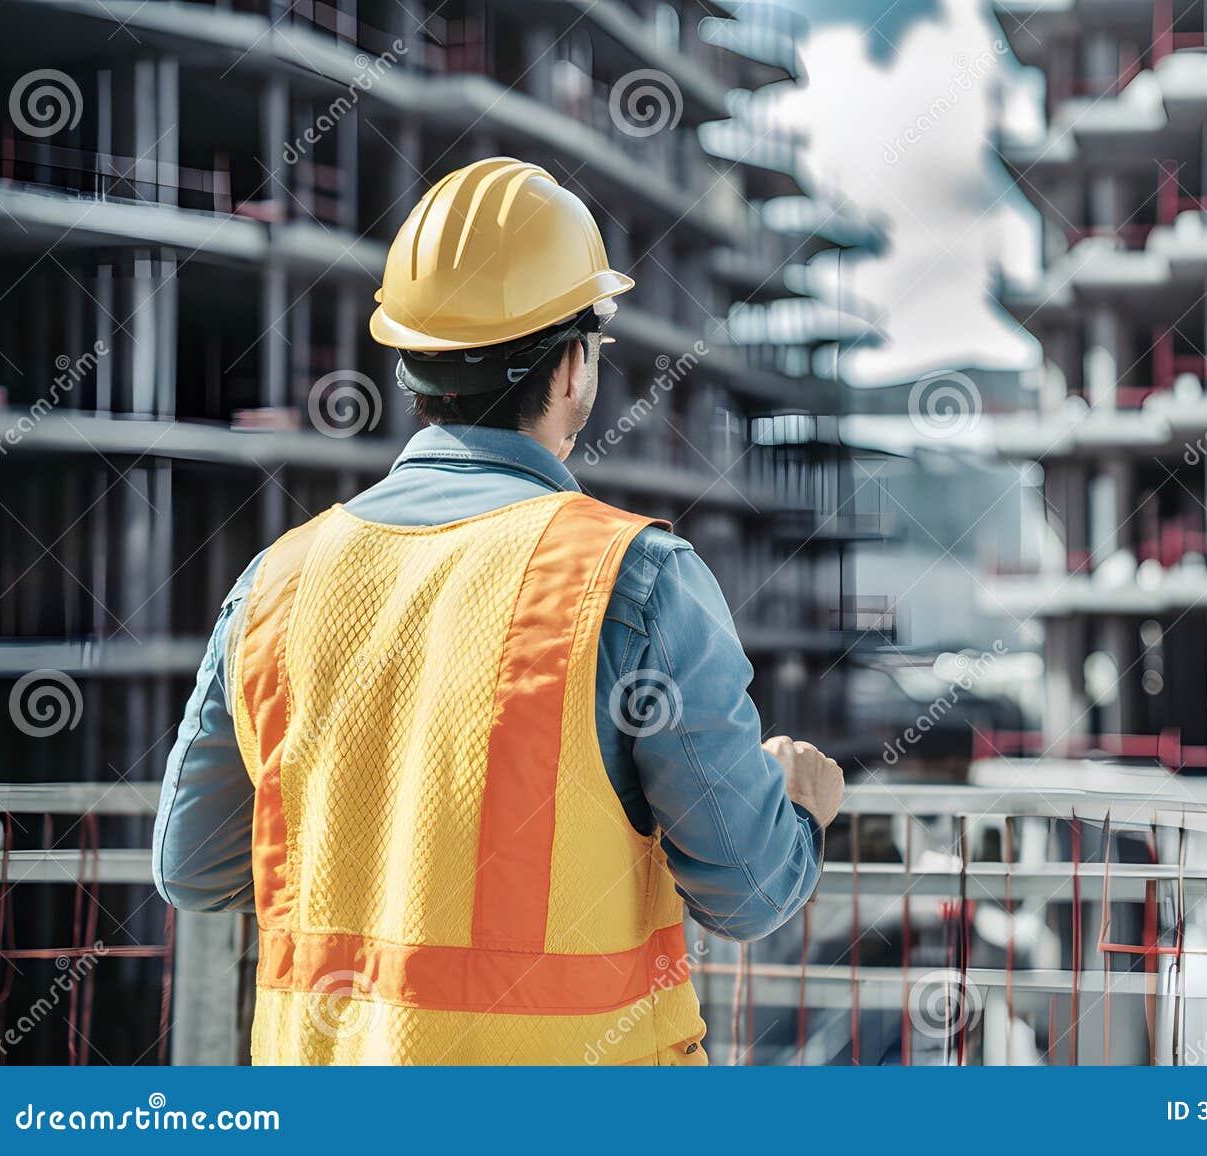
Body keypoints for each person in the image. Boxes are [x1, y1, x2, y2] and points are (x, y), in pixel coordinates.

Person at [153, 157, 845, 1066]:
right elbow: (747, 891)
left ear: (409, 362)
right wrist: (801, 810)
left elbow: (192, 868)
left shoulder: (277, 581)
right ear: (572, 364)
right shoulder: (633, 578)